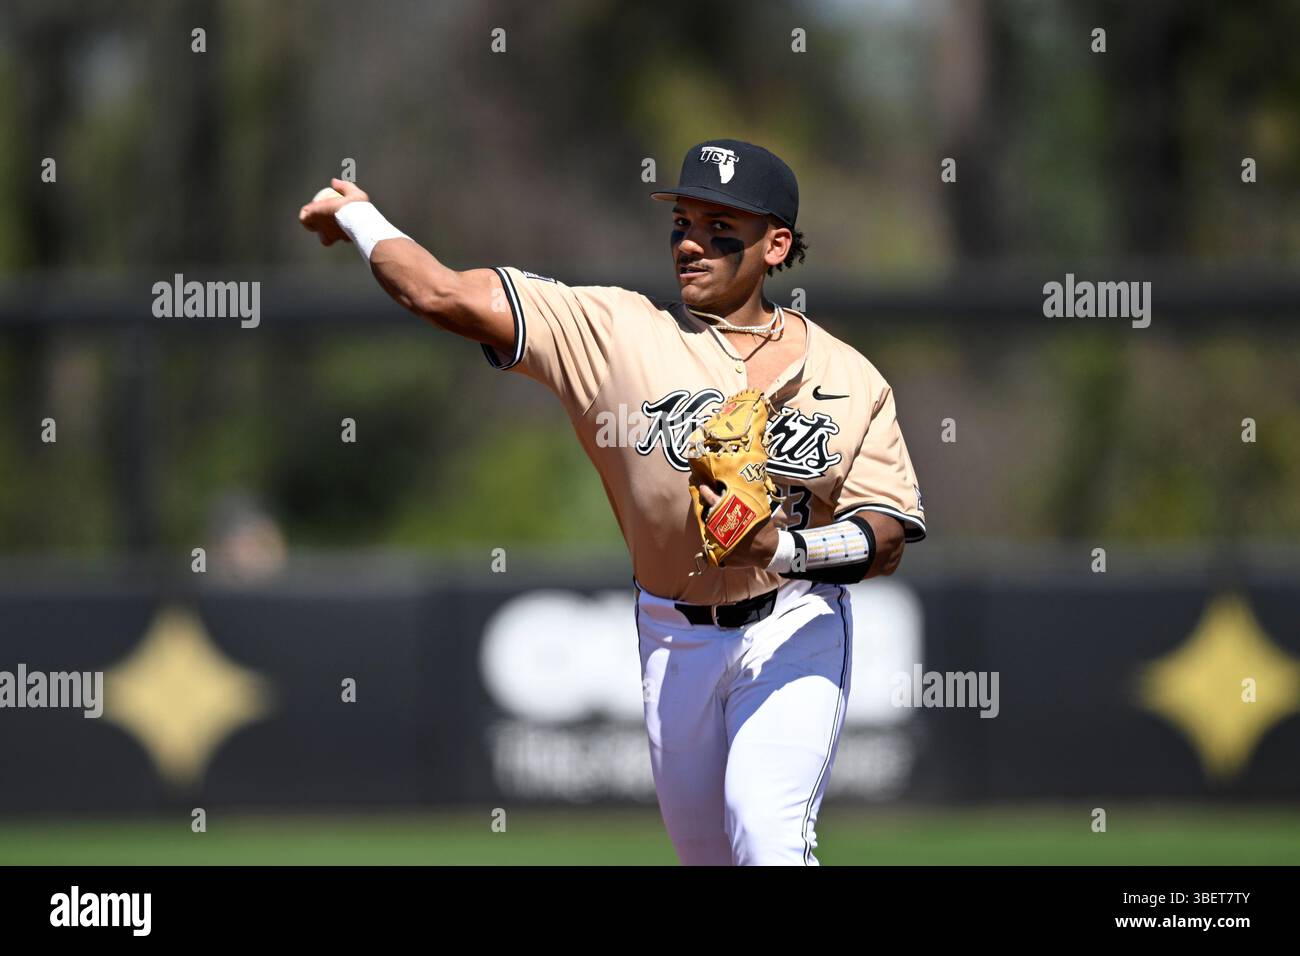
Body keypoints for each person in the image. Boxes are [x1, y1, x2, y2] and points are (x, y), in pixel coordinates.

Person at [299, 138, 926, 865]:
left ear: (776, 244)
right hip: (675, 636)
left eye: (721, 227)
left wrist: (785, 551)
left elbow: (886, 537)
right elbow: (439, 293)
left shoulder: (850, 376)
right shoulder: (613, 333)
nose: (692, 242)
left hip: (795, 623)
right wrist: (360, 218)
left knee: (768, 833)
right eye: (682, 223)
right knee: (710, 858)